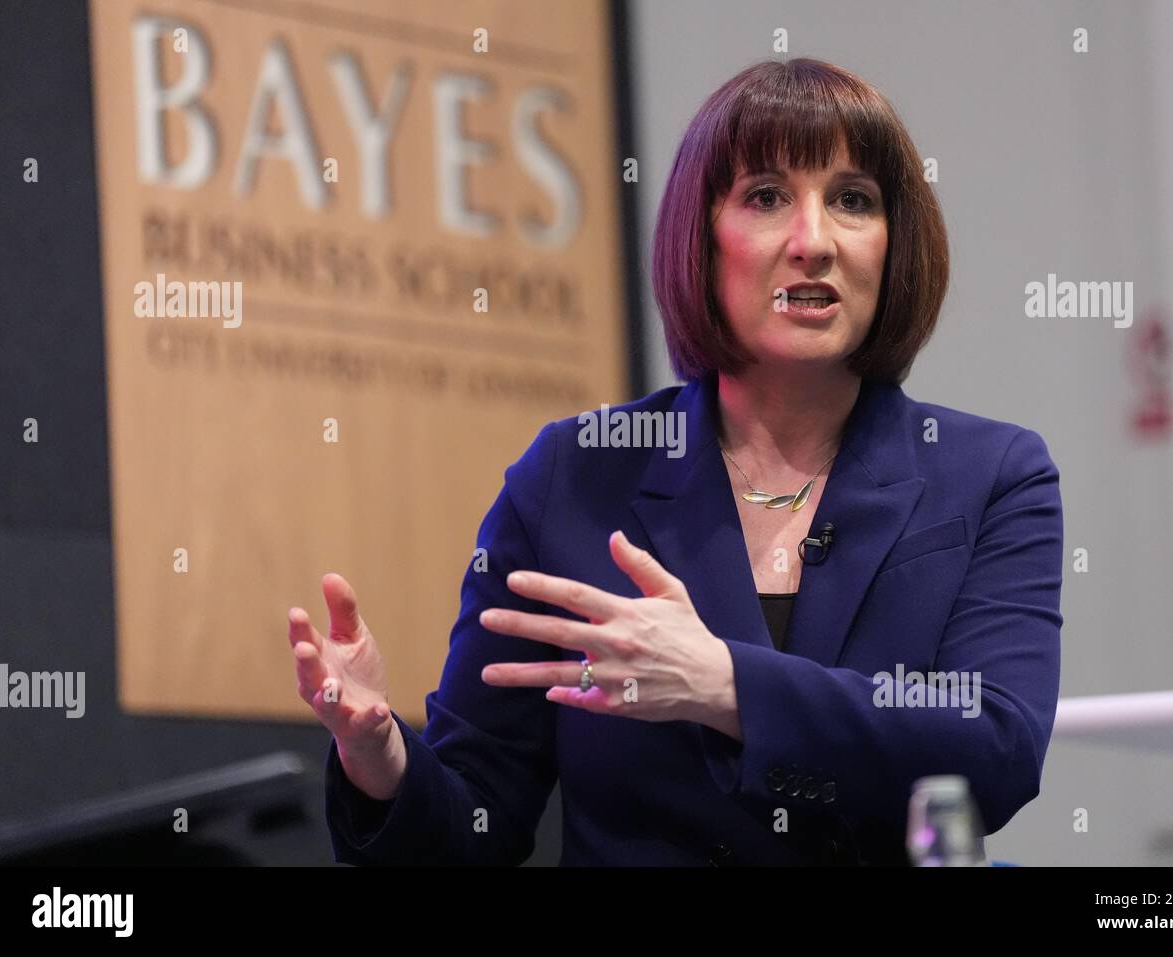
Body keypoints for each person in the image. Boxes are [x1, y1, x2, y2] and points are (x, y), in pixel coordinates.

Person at [286, 57, 1063, 866]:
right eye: (766, 197)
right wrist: (380, 758)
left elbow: (994, 749)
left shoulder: (989, 474)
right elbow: (477, 818)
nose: (814, 241)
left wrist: (724, 683)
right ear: (702, 237)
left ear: (893, 244)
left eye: (853, 201)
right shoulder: (576, 476)